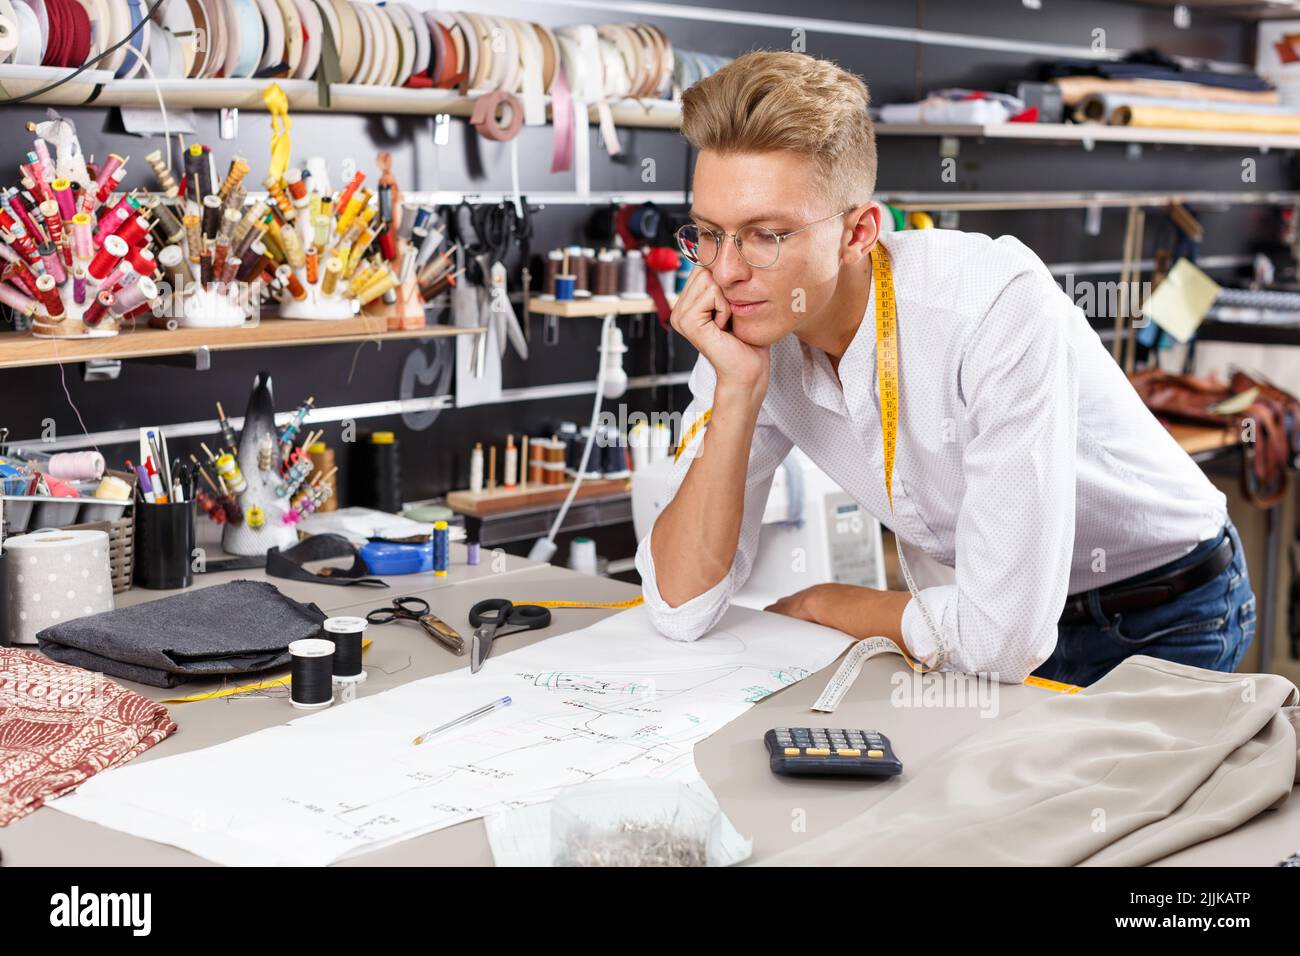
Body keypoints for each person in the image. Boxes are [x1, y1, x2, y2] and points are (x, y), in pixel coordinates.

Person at [635, 51, 1255, 686]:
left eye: (766, 234)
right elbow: (680, 607)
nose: (726, 270)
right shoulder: (744, 328)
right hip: (979, 619)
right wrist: (738, 393)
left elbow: (1004, 639)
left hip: (1163, 608)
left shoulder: (993, 306)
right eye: (709, 233)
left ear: (859, 233)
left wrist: (834, 603)